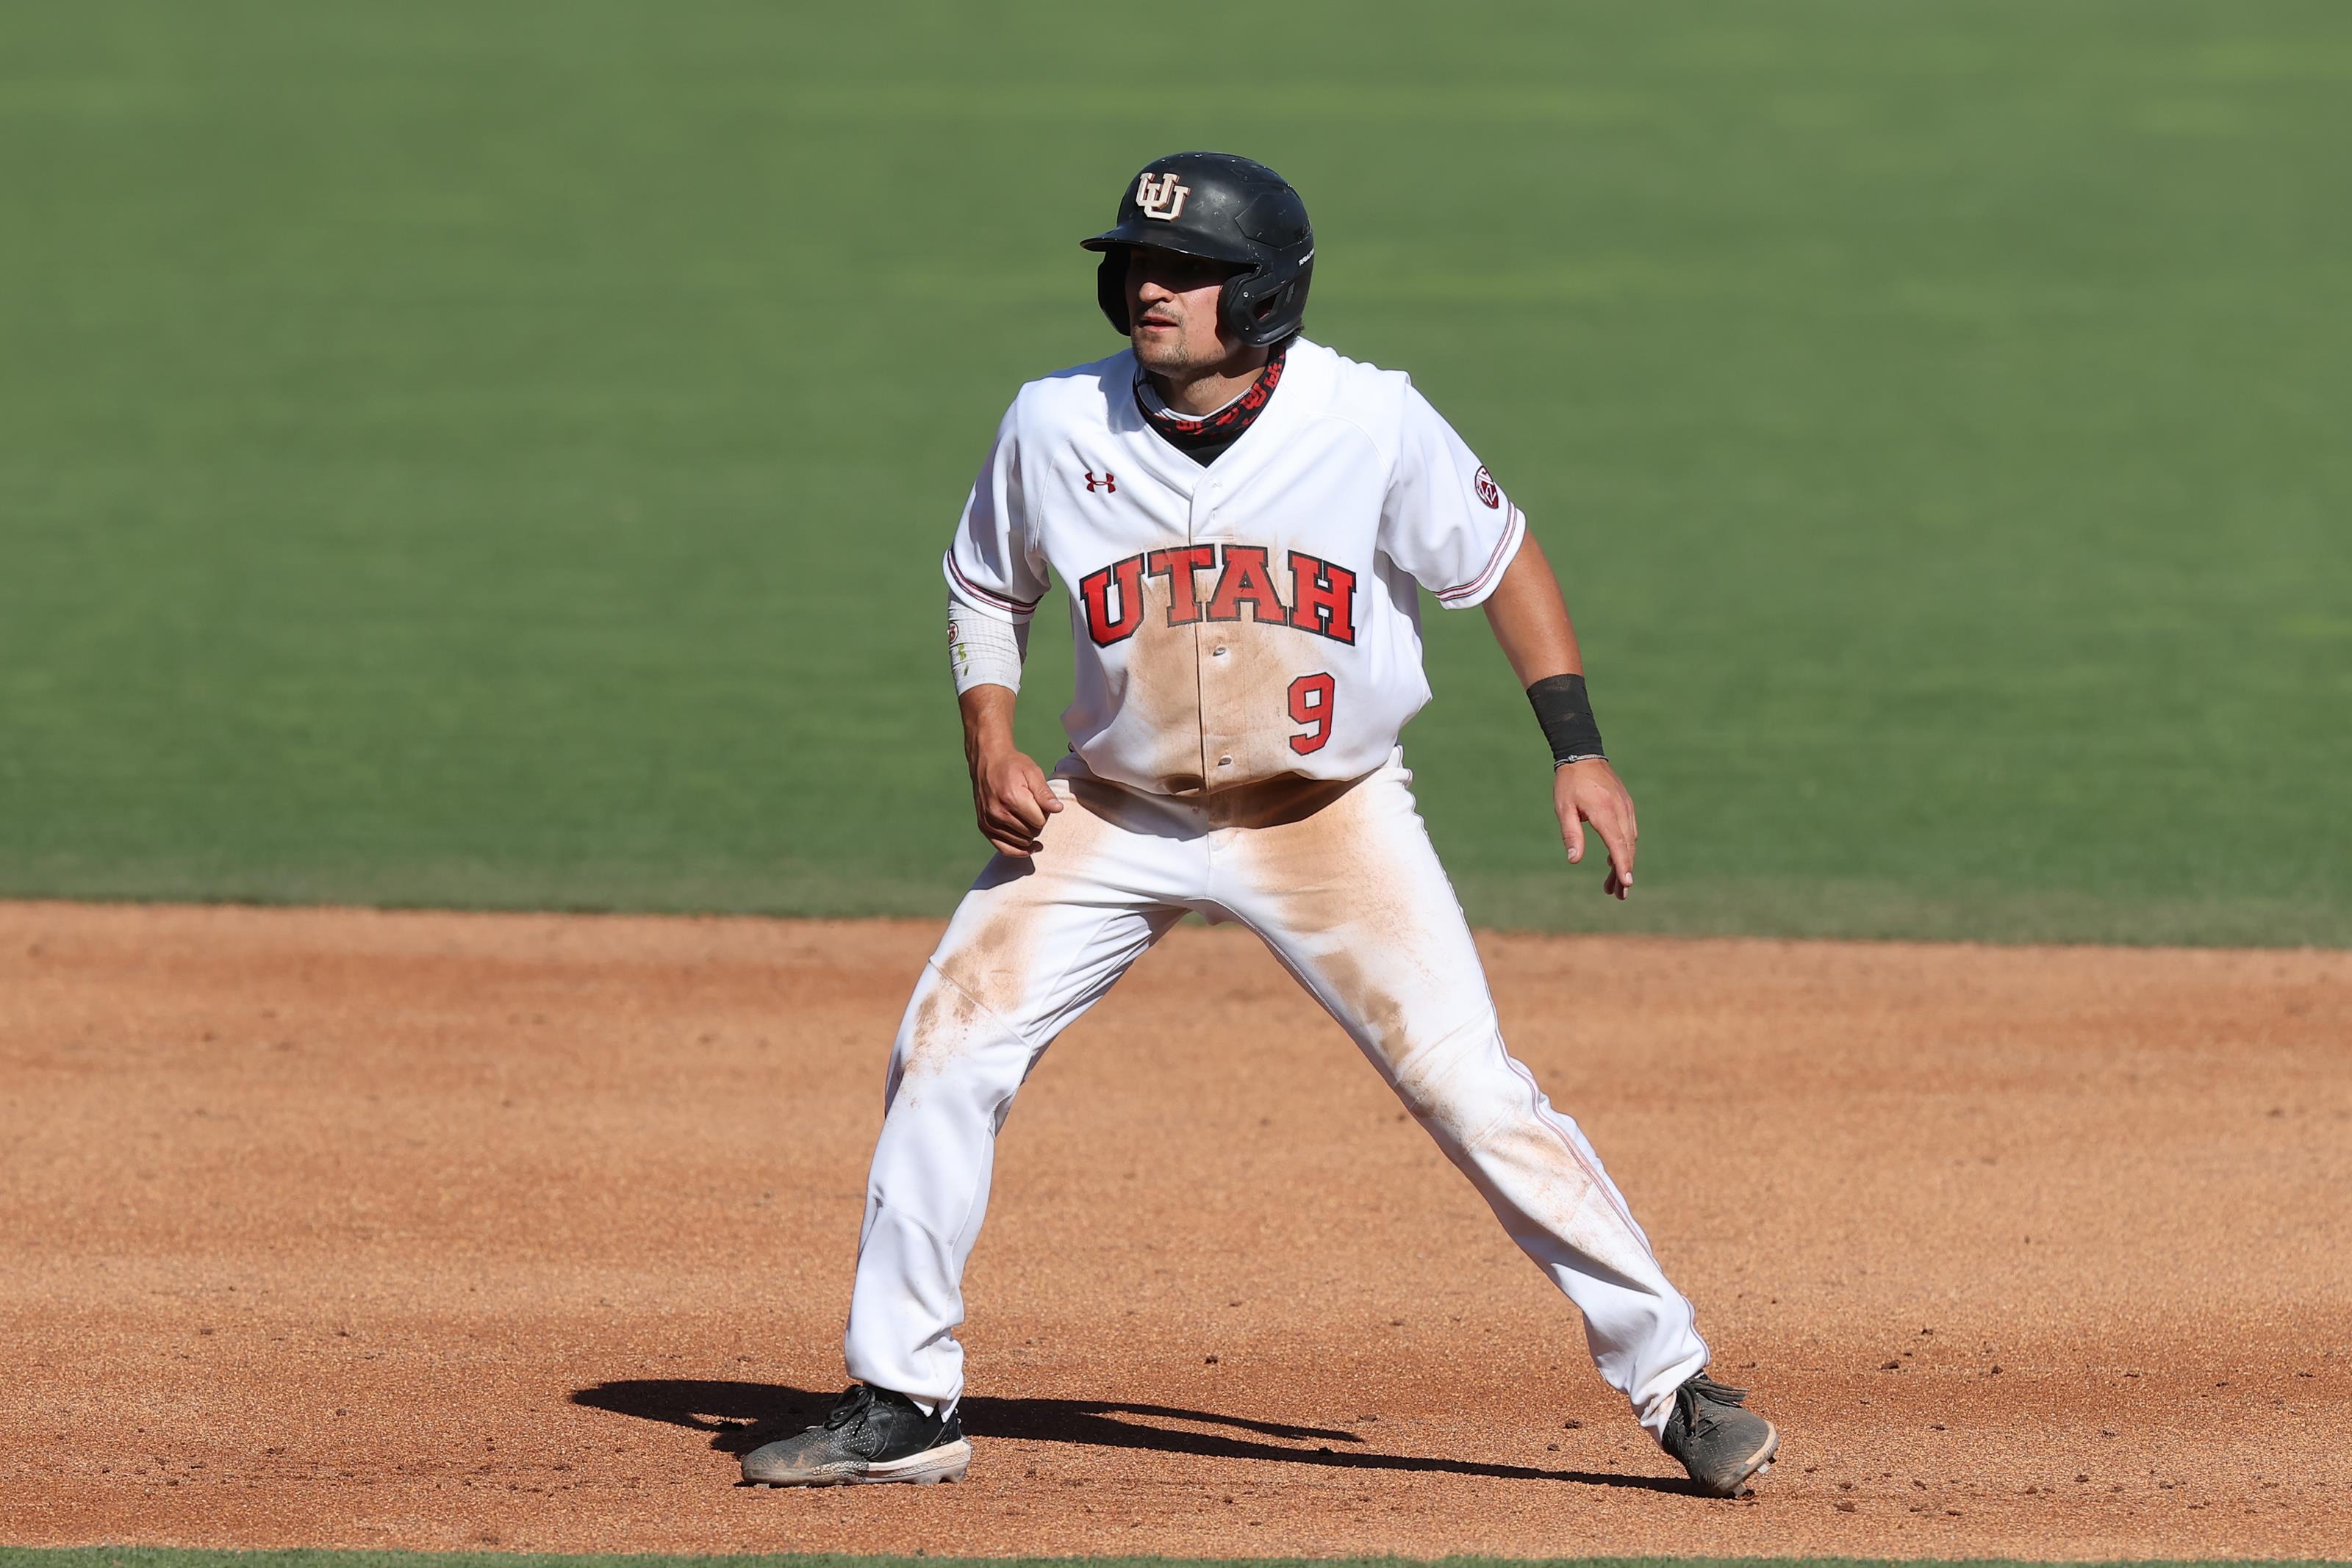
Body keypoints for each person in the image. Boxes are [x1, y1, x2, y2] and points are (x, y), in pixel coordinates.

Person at [742, 152, 1778, 1497]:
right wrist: (988, 737)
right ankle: (904, 1397)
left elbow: (1501, 559)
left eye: (1186, 272)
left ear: (1268, 296)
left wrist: (1578, 751)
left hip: (1328, 820)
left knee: (1472, 1089)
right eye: (1136, 265)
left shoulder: (1370, 420)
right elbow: (986, 587)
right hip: (1111, 815)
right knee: (943, 1049)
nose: (1149, 289)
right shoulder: (1051, 423)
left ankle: (1678, 1383)